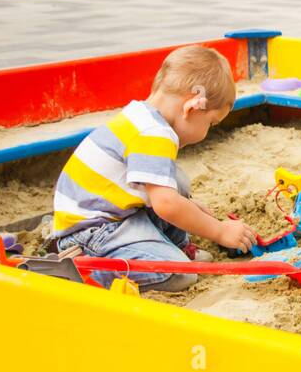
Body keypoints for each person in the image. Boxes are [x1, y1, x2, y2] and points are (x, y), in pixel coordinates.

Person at [50, 45, 256, 291]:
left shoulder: (141, 114)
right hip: (91, 232)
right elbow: (166, 205)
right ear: (191, 108)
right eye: (211, 122)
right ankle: (89, 270)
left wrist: (188, 207)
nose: (208, 130)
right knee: (178, 274)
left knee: (173, 181)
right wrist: (220, 231)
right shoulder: (154, 133)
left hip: (113, 214)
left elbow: (160, 194)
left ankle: (173, 245)